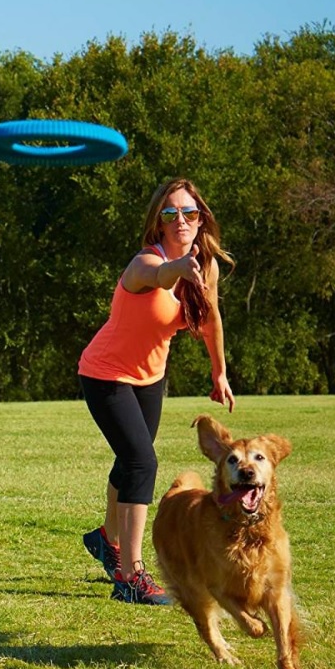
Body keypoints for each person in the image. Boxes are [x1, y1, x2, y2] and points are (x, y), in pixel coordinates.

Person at [78, 177, 236, 605]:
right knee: (142, 461)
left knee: (131, 459)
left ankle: (105, 538)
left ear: (200, 217)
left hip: (149, 378)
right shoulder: (145, 263)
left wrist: (219, 373)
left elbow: (212, 320)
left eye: (188, 212)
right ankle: (130, 576)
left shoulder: (209, 267)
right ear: (159, 222)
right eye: (171, 213)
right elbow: (160, 275)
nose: (180, 220)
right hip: (105, 374)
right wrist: (179, 270)